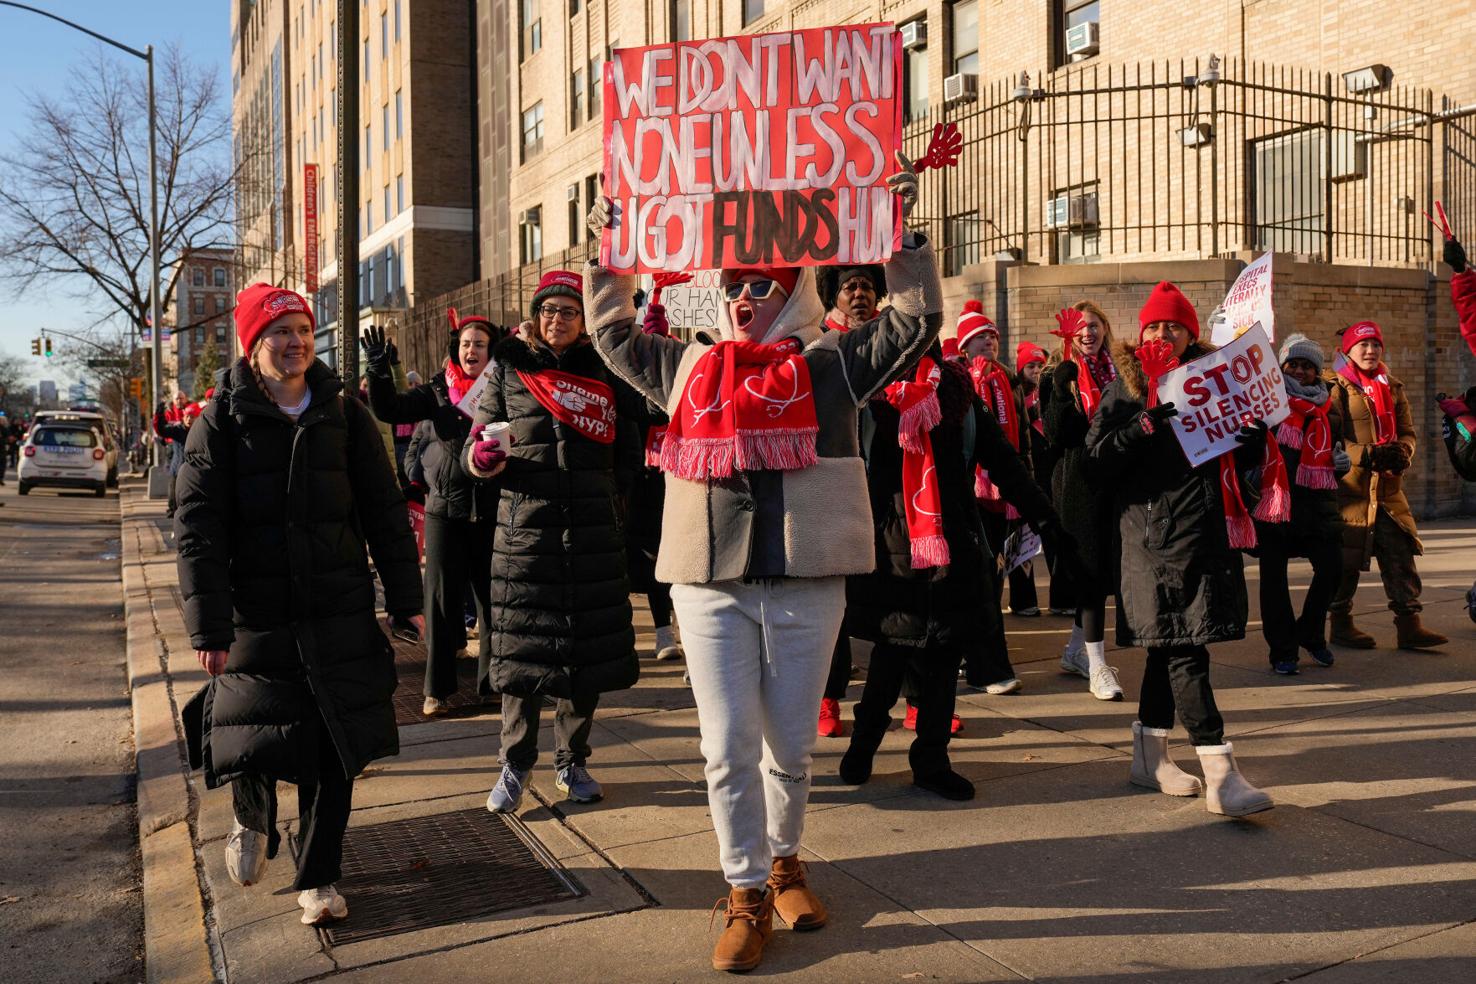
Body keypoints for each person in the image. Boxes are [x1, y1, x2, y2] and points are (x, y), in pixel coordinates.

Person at [588, 155, 937, 972]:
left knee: (790, 744)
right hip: (709, 586)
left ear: (793, 298)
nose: (746, 300)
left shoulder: (830, 364)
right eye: (735, 287)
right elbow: (609, 333)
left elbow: (913, 320)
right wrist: (609, 242)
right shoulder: (686, 367)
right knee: (726, 746)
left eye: (764, 289)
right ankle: (745, 891)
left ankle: (785, 862)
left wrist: (900, 229)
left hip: (808, 581)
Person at [174, 283, 423, 925]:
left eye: (302, 330)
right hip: (254, 612)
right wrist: (208, 624)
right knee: (255, 731)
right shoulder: (220, 420)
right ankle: (251, 818)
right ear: (254, 344)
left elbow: (384, 510)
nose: (295, 343)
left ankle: (320, 877)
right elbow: (198, 529)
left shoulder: (344, 413)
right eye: (279, 332)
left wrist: (405, 598)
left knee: (332, 748)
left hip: (336, 607)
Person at [842, 341, 1071, 801]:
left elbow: (1003, 459)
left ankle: (931, 761)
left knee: (943, 665)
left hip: (953, 549)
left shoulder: (958, 393)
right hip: (892, 550)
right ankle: (862, 746)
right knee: (888, 659)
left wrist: (1045, 517)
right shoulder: (869, 391)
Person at [1086, 280, 1274, 818]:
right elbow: (1094, 464)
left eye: (1174, 325)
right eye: (1154, 325)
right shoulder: (1125, 387)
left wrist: (1252, 442)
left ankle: (1150, 759)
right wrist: (1139, 429)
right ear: (1140, 332)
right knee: (1185, 651)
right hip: (1152, 541)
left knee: (1169, 648)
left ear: (1191, 332)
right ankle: (1222, 774)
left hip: (1205, 536)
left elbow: (1233, 468)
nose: (1163, 333)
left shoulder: (1215, 382)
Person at [462, 270, 641, 812]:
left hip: (591, 532)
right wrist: (482, 460)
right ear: (535, 317)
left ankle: (573, 759)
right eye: (548, 311)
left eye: (568, 311)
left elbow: (630, 447)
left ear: (584, 320)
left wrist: (614, 503)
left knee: (583, 656)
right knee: (521, 657)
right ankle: (515, 765)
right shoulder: (509, 366)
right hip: (525, 534)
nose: (556, 320)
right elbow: (476, 441)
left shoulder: (606, 365)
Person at [362, 310, 502, 715]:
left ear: (490, 350)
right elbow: (389, 409)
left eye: (479, 343)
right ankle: (436, 691)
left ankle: (492, 685)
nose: (471, 349)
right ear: (455, 350)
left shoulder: (502, 388)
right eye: (465, 344)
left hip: (491, 509)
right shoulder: (440, 389)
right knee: (440, 603)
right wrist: (379, 370)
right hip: (445, 510)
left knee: (492, 604)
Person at [1327, 321, 1448, 651]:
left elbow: (1408, 431)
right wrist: (1368, 455)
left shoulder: (1392, 386)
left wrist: (1402, 453)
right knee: (1345, 563)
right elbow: (1329, 438)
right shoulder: (1333, 386)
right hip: (1350, 492)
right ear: (1348, 350)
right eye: (1363, 345)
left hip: (1388, 492)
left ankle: (1409, 626)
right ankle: (1340, 624)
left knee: (1400, 556)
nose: (1370, 351)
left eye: (1375, 344)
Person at [814, 263, 889, 737]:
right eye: (849, 286)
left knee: (895, 596)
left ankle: (917, 697)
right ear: (835, 297)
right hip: (834, 483)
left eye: (866, 285)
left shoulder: (894, 338)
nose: (858, 293)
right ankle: (827, 696)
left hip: (891, 482)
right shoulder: (821, 345)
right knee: (832, 601)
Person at [1041, 302, 1124, 700]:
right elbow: (1057, 435)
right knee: (1090, 575)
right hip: (1076, 484)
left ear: (1105, 328)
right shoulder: (1055, 375)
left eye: (1094, 324)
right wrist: (1060, 388)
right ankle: (1098, 666)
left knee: (1104, 575)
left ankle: (1077, 651)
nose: (1088, 333)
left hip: (1115, 481)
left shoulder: (1123, 374)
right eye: (1080, 327)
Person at [1256, 334, 1350, 675]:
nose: (1298, 371)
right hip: (1276, 503)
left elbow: (1334, 453)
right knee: (1274, 581)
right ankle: (1282, 650)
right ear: (1281, 367)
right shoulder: (1267, 401)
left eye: (1306, 366)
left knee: (1332, 568)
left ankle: (1309, 633)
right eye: (1292, 364)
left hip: (1316, 504)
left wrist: (1340, 466)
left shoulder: (1330, 406)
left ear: (1317, 371)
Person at [956, 301, 1028, 694]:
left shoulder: (1005, 380)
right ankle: (983, 663)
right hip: (967, 496)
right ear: (965, 344)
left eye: (993, 336)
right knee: (978, 582)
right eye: (981, 336)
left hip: (1000, 495)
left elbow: (1019, 440)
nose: (989, 341)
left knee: (992, 578)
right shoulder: (957, 379)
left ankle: (980, 660)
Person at [627, 299, 683, 663]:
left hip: (684, 471)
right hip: (646, 477)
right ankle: (663, 632)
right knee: (651, 559)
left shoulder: (685, 360)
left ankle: (692, 640)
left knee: (685, 558)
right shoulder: (628, 372)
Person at [1007, 341, 1050, 618]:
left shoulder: (1046, 394)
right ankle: (1022, 599)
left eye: (1039, 366)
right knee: (1019, 539)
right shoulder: (1013, 393)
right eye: (1030, 366)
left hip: (1045, 476)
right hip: (1022, 476)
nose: (1035, 371)